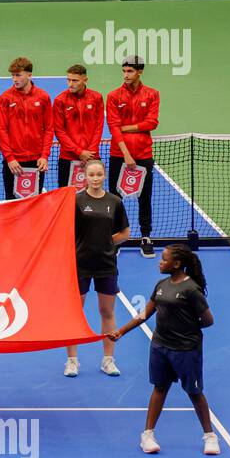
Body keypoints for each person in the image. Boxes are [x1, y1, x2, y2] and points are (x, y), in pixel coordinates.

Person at [110, 244, 219, 456]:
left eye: (164, 259)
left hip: (187, 350)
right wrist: (121, 331)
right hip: (160, 347)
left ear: (176, 264)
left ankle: (210, 436)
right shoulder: (161, 285)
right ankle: (147, 435)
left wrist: (185, 329)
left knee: (194, 392)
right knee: (160, 388)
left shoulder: (191, 289)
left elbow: (208, 320)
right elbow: (145, 314)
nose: (160, 262)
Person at [64, 159, 129, 378]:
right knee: (74, 313)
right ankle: (72, 361)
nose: (95, 179)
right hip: (80, 264)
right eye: (91, 175)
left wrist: (108, 243)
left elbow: (124, 233)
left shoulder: (115, 201)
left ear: (104, 175)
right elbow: (66, 231)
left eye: (99, 175)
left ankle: (108, 360)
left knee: (107, 311)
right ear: (84, 176)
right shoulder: (76, 201)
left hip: (106, 265)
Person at [106, 54, 159, 257]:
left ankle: (146, 236)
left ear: (140, 72)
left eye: (130, 71)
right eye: (124, 71)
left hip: (144, 154)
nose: (126, 75)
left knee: (144, 197)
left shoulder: (152, 94)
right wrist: (127, 154)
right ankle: (116, 236)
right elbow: (113, 128)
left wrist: (126, 127)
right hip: (119, 154)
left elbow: (151, 123)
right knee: (116, 198)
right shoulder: (113, 96)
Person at [0, 57, 53, 200]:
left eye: (18, 75)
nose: (14, 79)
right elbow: (2, 130)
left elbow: (48, 129)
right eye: (12, 75)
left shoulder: (43, 97)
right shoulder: (5, 98)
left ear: (29, 75)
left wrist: (44, 156)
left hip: (36, 161)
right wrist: (9, 158)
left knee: (34, 202)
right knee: (11, 202)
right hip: (14, 162)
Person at [52, 64, 104, 191]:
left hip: (92, 157)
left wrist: (90, 153)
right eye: (68, 80)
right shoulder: (60, 100)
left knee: (93, 196)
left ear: (85, 80)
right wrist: (79, 152)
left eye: (75, 80)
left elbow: (99, 126)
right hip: (68, 158)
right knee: (66, 197)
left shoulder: (96, 98)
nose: (70, 84)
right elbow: (59, 130)